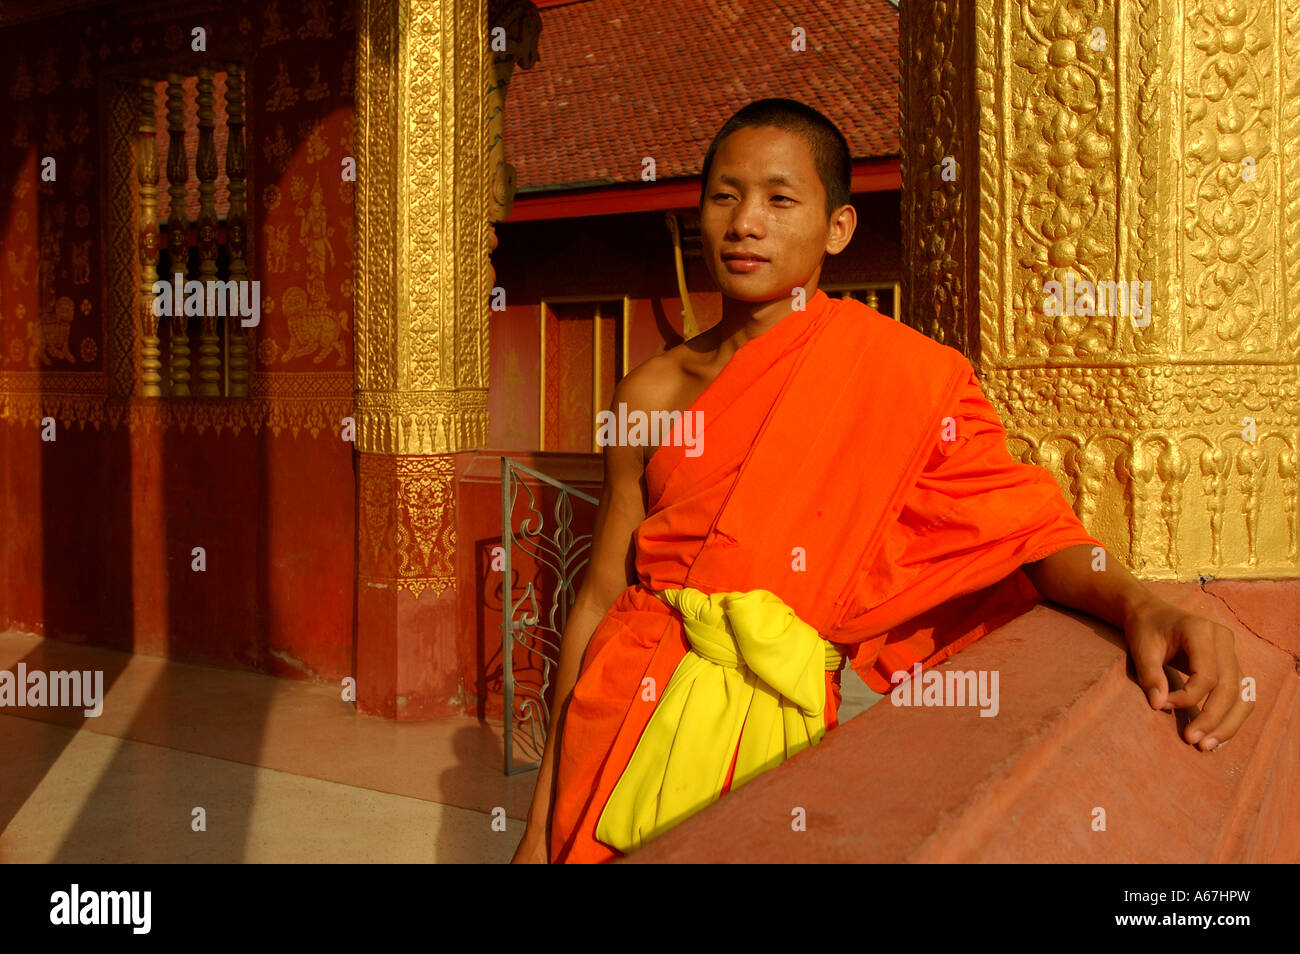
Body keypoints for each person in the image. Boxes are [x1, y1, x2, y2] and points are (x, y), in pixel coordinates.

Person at [510, 98, 1254, 864]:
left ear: (838, 228)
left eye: (779, 198)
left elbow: (1029, 534)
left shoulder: (901, 375)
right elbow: (600, 597)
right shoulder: (650, 391)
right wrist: (535, 827)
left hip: (768, 730)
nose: (745, 223)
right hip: (620, 705)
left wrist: (1141, 605)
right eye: (724, 196)